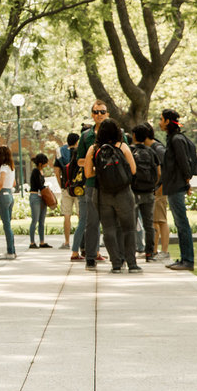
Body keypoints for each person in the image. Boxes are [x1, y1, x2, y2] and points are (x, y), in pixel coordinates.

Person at [85, 118, 141, 273]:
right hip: (123, 193)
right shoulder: (123, 146)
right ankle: (132, 263)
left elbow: (88, 173)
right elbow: (134, 170)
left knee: (108, 229)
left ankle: (116, 264)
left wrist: (102, 172)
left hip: (102, 194)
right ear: (118, 132)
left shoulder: (94, 148)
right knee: (128, 229)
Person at [160, 109, 197, 271]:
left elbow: (183, 164)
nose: (160, 123)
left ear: (168, 121)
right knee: (180, 223)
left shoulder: (176, 140)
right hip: (175, 185)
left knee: (182, 223)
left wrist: (187, 182)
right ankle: (184, 259)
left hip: (177, 186)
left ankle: (188, 260)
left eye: (161, 120)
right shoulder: (173, 139)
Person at [76, 100, 110, 271]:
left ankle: (120, 257)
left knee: (113, 221)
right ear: (92, 114)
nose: (99, 115)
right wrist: (95, 166)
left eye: (102, 112)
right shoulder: (86, 136)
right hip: (92, 183)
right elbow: (80, 160)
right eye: (96, 112)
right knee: (92, 222)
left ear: (107, 114)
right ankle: (90, 257)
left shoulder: (117, 133)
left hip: (113, 184)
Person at [131, 123, 162, 262]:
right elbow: (159, 172)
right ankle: (150, 254)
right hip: (149, 193)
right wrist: (152, 186)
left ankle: (130, 253)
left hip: (133, 192)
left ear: (134, 136)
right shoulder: (151, 152)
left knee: (131, 224)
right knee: (149, 225)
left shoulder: (130, 152)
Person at [145, 122, 171, 263]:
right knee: (155, 220)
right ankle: (154, 250)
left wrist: (160, 186)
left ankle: (163, 251)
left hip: (160, 189)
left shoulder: (158, 148)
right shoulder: (152, 148)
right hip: (156, 189)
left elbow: (165, 169)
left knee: (160, 220)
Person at [53, 132, 80, 250]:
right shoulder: (80, 152)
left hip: (66, 187)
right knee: (81, 216)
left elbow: (56, 172)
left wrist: (61, 186)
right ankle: (81, 241)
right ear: (76, 141)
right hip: (79, 188)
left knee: (67, 216)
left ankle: (67, 242)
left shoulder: (60, 153)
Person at [0, 146, 17, 260]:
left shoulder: (3, 167)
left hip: (3, 194)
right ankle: (13, 250)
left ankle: (10, 252)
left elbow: (1, 183)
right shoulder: (11, 167)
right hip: (10, 195)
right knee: (8, 225)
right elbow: (14, 183)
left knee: (6, 225)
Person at [29, 154, 52, 248]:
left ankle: (42, 242)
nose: (47, 164)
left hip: (42, 197)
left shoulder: (41, 171)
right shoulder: (35, 171)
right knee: (35, 220)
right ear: (40, 163)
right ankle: (32, 242)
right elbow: (39, 185)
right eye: (45, 162)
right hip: (35, 197)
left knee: (42, 221)